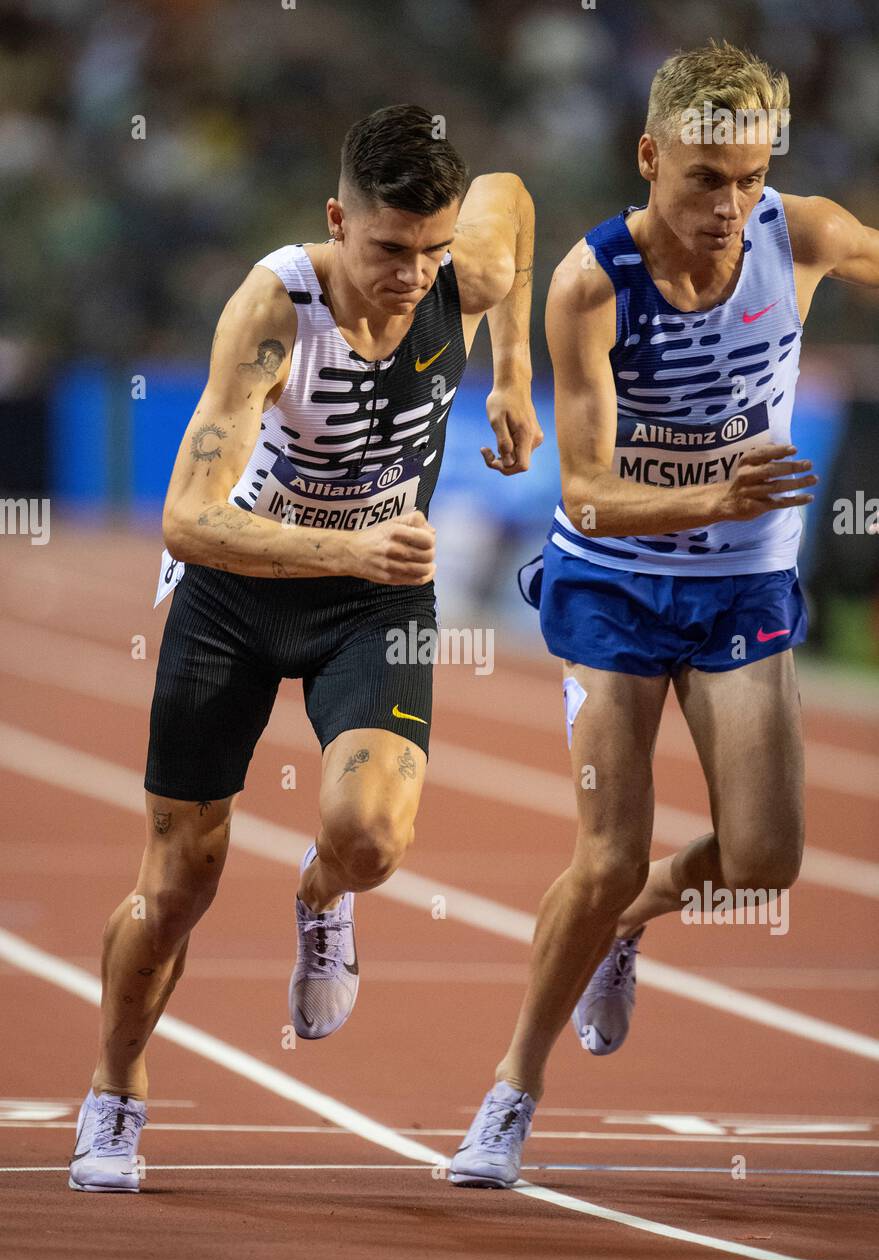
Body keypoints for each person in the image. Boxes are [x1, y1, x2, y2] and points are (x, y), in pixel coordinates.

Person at [69, 104, 542, 1193]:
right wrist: (350, 539)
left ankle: (322, 898)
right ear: (338, 220)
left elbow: (511, 199)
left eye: (432, 251)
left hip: (372, 601)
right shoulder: (274, 309)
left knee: (371, 836)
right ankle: (115, 1089)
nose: (413, 275)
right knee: (177, 884)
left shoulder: (457, 267)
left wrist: (511, 370)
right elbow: (187, 517)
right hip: (236, 591)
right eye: (387, 249)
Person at [451, 39, 879, 1188]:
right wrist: (716, 490)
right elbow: (584, 488)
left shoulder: (808, 235)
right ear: (651, 156)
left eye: (749, 177)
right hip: (616, 582)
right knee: (602, 852)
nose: (730, 204)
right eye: (704, 177)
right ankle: (511, 1087)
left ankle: (635, 919)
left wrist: (736, 514)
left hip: (742, 584)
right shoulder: (593, 283)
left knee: (767, 856)